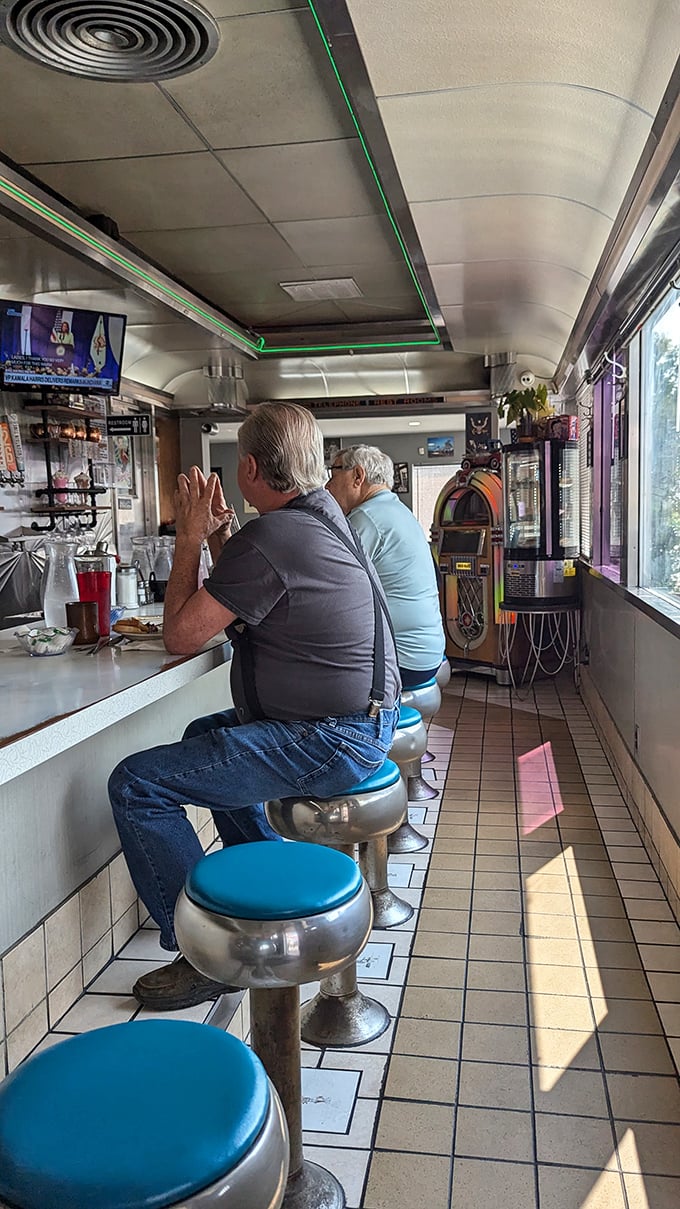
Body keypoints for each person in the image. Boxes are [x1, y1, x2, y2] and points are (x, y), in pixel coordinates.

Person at [108, 402, 400, 1011]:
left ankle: (197, 954)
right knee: (198, 736)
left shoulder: (277, 534)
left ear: (247, 467)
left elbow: (182, 635)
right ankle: (253, 888)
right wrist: (217, 535)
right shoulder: (322, 517)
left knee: (137, 783)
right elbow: (258, 584)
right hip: (362, 722)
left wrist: (187, 538)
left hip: (331, 736)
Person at [326, 445, 445, 687]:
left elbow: (331, 583)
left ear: (358, 476)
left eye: (333, 474)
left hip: (402, 660)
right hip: (428, 654)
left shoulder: (366, 517)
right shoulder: (399, 510)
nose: (327, 486)